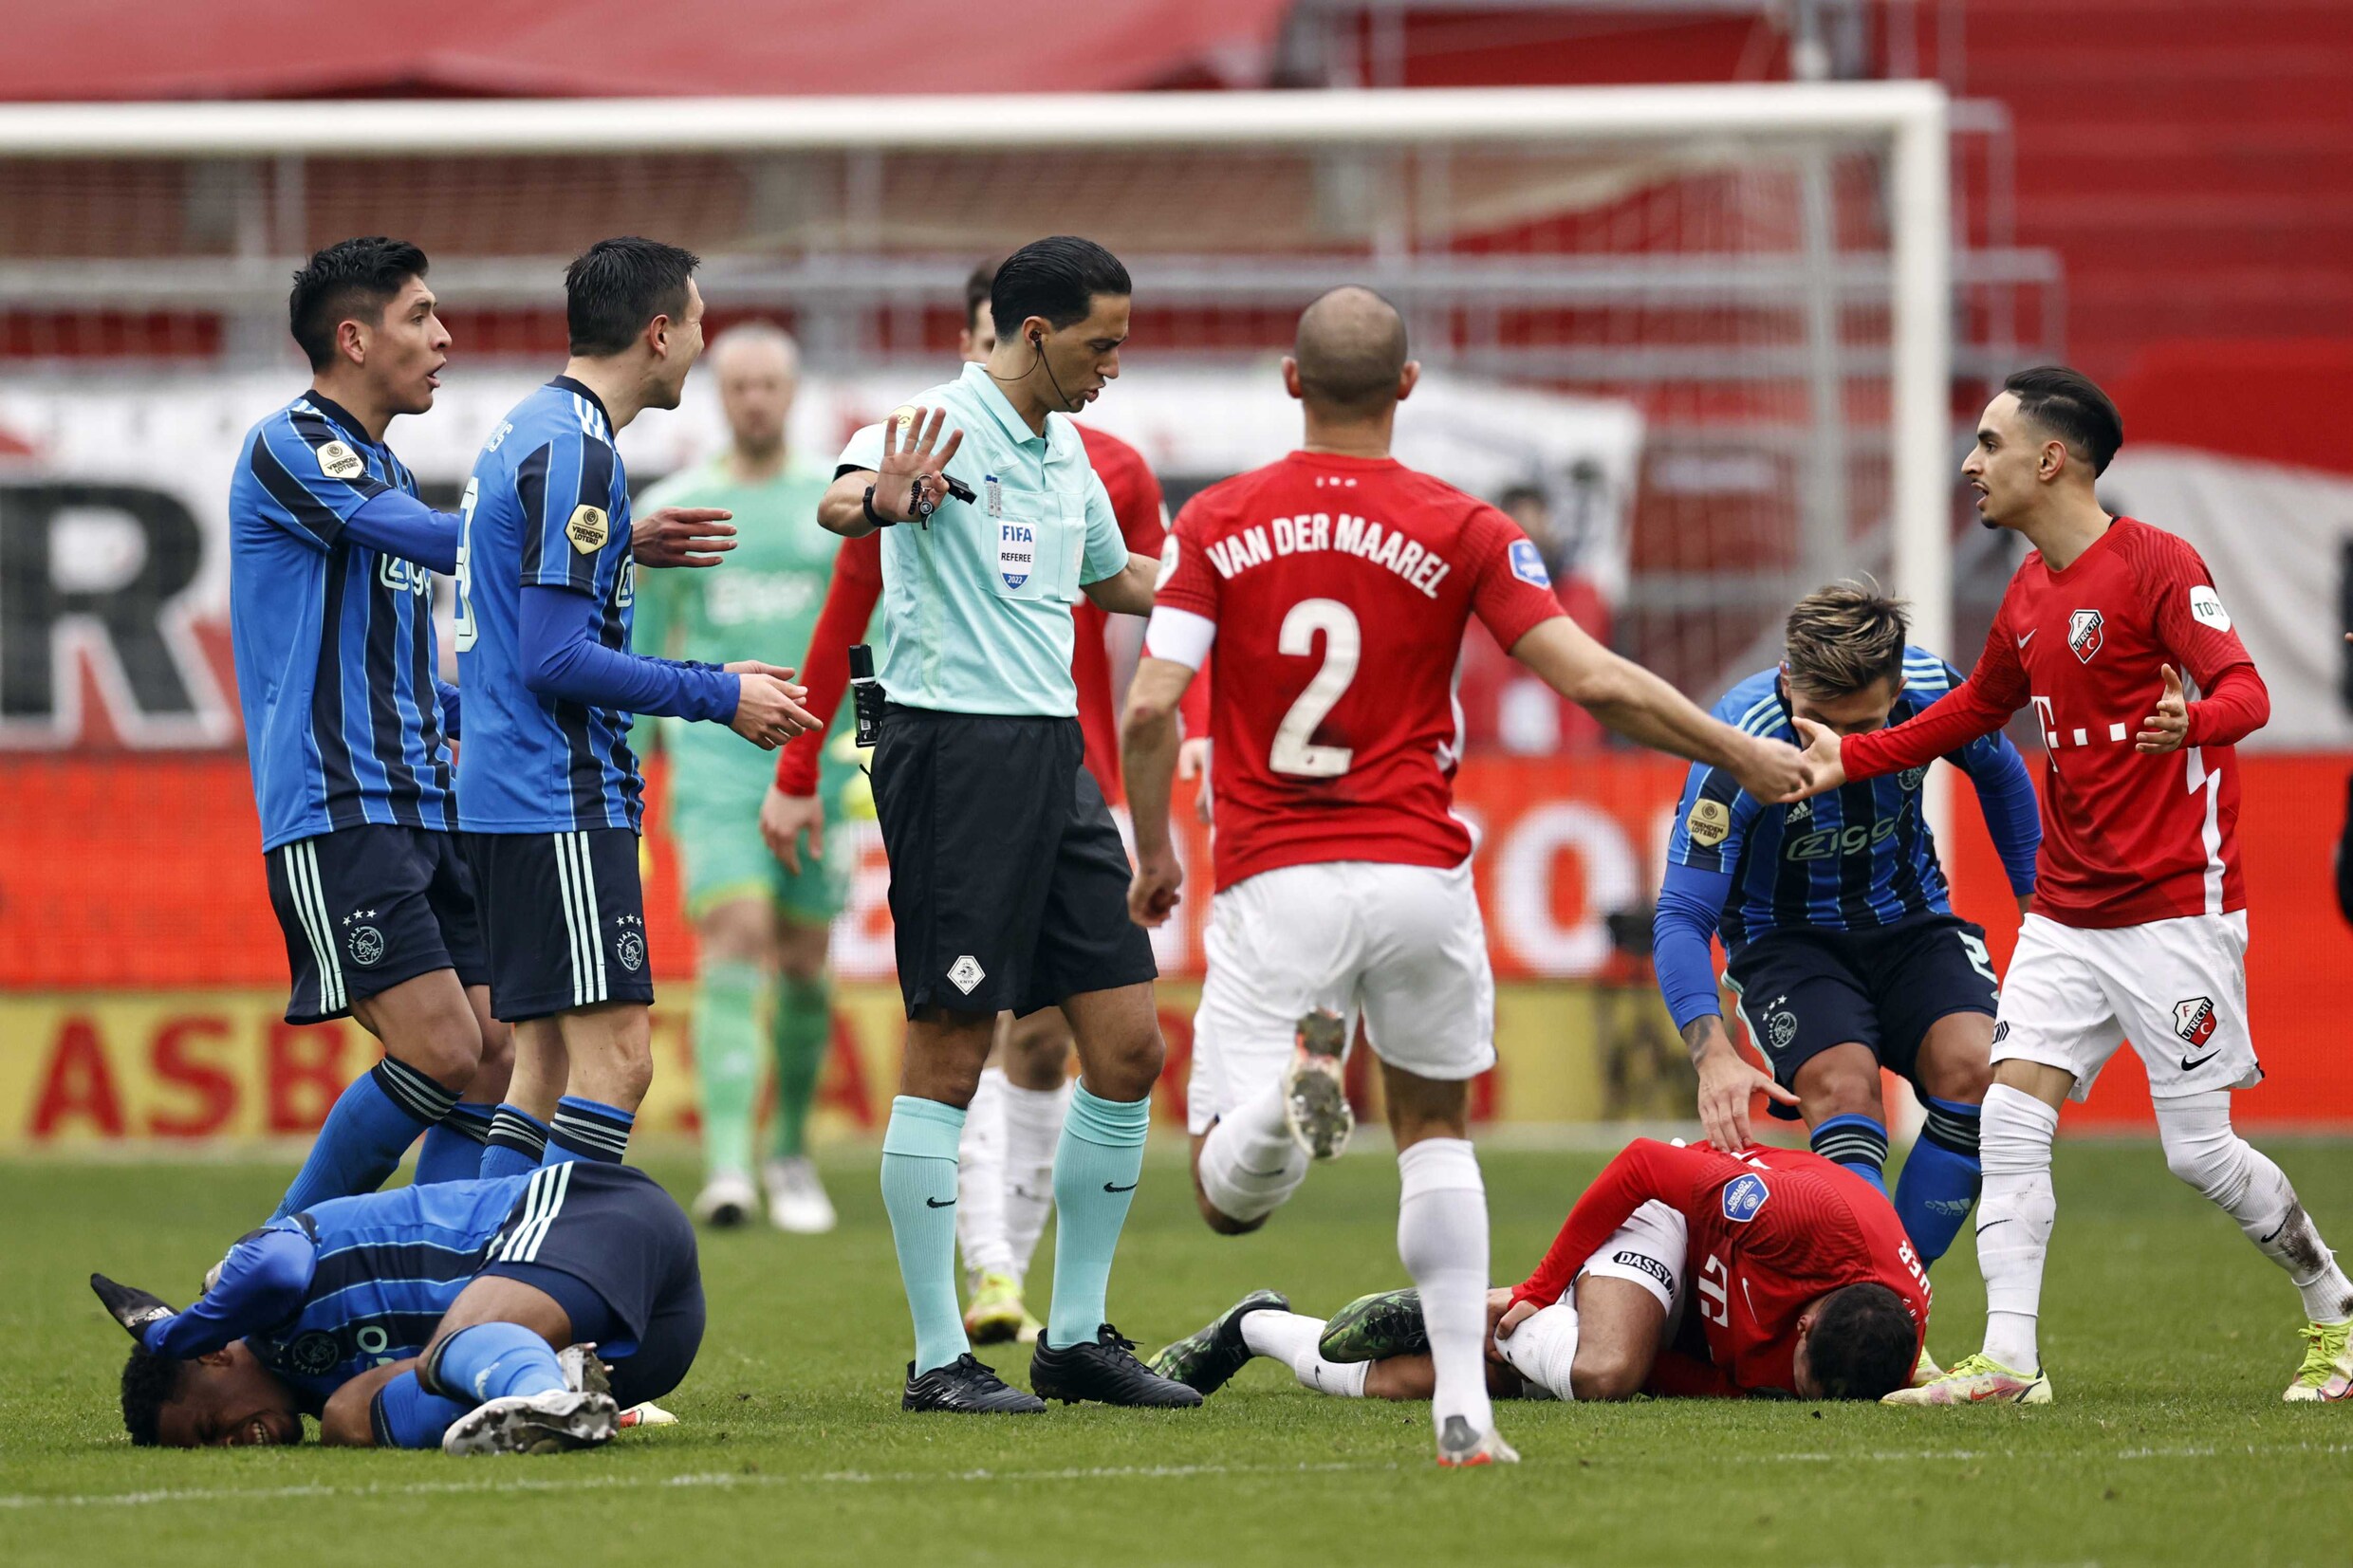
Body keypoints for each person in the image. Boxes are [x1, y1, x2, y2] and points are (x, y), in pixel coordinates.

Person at [1120, 286, 1813, 1466]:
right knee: (1435, 1131)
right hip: (1417, 875)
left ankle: (1292, 1103)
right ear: (1407, 386)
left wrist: (1154, 851)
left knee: (1226, 1197)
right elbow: (1590, 680)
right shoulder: (1463, 524)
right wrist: (1737, 744)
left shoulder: (1220, 521)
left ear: (1289, 386)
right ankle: (1462, 1413)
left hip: (1277, 873)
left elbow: (1147, 708)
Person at [1794, 365, 2353, 1405]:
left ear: (2048, 459)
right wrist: (1856, 756)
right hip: (2065, 909)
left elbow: (2247, 689)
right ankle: (2010, 1361)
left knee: (2197, 1155)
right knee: (2009, 1118)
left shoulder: (2152, 565)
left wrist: (2197, 721)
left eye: (1988, 443)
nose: (1970, 464)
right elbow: (1970, 712)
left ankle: (2336, 1312)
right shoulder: (2027, 593)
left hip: (2172, 907)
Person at [228, 239, 735, 1216]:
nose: (443, 336)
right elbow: (442, 541)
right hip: (339, 802)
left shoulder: (382, 463)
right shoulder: (293, 443)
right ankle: (267, 1267)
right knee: (447, 1050)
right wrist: (594, 527)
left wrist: (582, 532)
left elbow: (419, 673)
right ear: (353, 336)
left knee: (499, 1054)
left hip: (427, 794)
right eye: (419, 316)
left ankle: (443, 1286)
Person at [761, 258, 1209, 1341]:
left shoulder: (1064, 452)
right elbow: (839, 503)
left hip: (1054, 759)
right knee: (955, 1044)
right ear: (1039, 332)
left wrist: (1230, 576)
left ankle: (1074, 1337)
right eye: (1101, 344)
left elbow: (1116, 581)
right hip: (949, 753)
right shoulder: (931, 422)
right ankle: (936, 1353)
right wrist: (884, 498)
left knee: (1129, 1044)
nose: (1113, 366)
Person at [454, 237, 819, 1179]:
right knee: (615, 1066)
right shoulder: (578, 455)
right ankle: (525, 1296)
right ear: (659, 333)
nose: (703, 345)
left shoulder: (532, 426)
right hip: (556, 795)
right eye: (697, 323)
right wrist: (718, 694)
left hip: (508, 794)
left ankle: (474, 1294)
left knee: (538, 1069)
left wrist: (615, 546)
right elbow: (554, 657)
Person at [1656, 581, 2041, 1267]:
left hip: (1911, 918)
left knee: (1984, 1073)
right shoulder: (1736, 747)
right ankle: (1871, 1294)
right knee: (1844, 1084)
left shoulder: (1932, 687)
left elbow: (2003, 772)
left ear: (1896, 693)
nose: (1833, 748)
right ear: (1786, 681)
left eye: (1861, 730)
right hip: (1787, 941)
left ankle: (1885, 1295)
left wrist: (2042, 916)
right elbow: (1682, 914)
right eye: (1813, 722)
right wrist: (1712, 1054)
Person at [1152, 1140, 1928, 1407]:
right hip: (1672, 1231)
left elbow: (1722, 1384)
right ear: (1811, 1317)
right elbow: (1643, 1166)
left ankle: (1251, 1326)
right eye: (1796, 1371)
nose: (1790, 1388)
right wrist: (1541, 1289)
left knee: (1403, 1380)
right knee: (1604, 1369)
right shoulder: (1800, 1218)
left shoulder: (1876, 1345)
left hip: (1684, 1326)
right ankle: (1490, 1304)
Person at [632, 322, 849, 1233]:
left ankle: (790, 1148)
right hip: (715, 760)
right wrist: (635, 768)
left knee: (803, 960)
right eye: (740, 384)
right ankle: (728, 1167)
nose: (755, 398)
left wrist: (868, 752)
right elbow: (644, 649)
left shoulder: (831, 503)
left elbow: (865, 635)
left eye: (770, 384)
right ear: (719, 395)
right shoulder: (683, 504)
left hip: (818, 763)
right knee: (736, 931)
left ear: (792, 393)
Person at [93, 1162, 702, 1454]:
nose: (232, 1445)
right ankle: (561, 1389)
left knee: (445, 1348)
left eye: (210, 1429)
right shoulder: (322, 1397)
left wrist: (176, 1332)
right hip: (648, 1350)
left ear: (213, 1356)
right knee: (349, 1420)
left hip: (587, 1216)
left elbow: (279, 1272)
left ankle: (544, 1396)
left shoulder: (244, 1286)